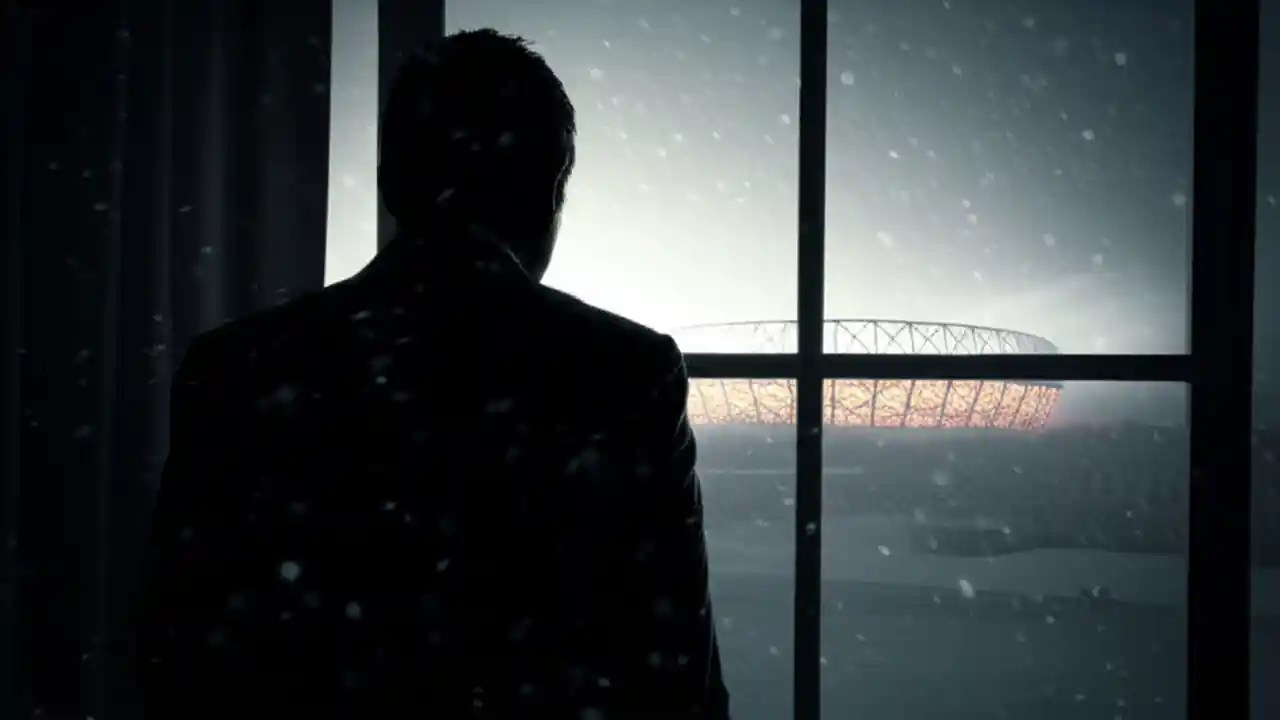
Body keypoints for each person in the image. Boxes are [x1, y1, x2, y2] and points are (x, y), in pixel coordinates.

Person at [137, 28, 730, 719]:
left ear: (390, 182)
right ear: (550, 190)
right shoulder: (626, 372)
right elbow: (679, 679)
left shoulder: (236, 368)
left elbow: (174, 658)